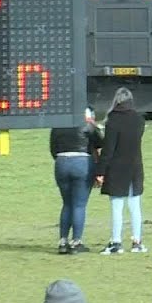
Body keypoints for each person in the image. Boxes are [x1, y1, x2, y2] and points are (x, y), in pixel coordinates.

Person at [95, 87, 147, 255]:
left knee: (117, 207)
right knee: (135, 206)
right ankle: (137, 242)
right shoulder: (139, 120)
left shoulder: (113, 121)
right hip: (135, 167)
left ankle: (116, 242)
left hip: (117, 169)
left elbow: (108, 150)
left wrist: (100, 171)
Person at [50, 107, 103, 254]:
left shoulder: (58, 125)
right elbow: (100, 142)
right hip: (82, 163)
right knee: (79, 205)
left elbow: (53, 149)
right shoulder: (88, 126)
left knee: (67, 204)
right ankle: (76, 241)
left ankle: (63, 241)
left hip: (61, 162)